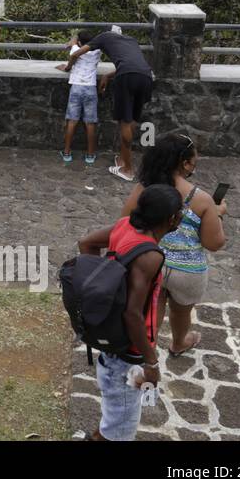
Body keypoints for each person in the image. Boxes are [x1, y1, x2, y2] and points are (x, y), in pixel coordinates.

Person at [76, 183, 183, 441]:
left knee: (116, 416)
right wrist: (151, 362)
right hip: (129, 352)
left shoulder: (124, 226)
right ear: (170, 219)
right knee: (121, 428)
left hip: (114, 342)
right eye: (180, 213)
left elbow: (86, 243)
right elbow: (132, 314)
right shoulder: (150, 256)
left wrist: (103, 288)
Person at [117, 133, 227, 358]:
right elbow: (213, 243)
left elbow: (125, 220)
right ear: (185, 164)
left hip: (151, 262)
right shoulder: (202, 199)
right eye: (193, 163)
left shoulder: (145, 188)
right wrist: (218, 215)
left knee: (152, 308)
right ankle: (179, 343)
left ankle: (147, 350)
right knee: (181, 311)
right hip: (188, 272)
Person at [67, 25, 154, 182]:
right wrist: (107, 75)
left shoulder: (104, 37)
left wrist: (68, 67)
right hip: (146, 76)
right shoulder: (131, 40)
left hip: (126, 78)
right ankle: (122, 159)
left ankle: (128, 169)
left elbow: (77, 54)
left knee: (125, 122)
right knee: (133, 119)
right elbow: (132, 62)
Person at [57, 30, 102, 165]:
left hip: (76, 87)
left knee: (72, 121)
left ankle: (66, 152)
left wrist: (75, 40)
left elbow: (72, 43)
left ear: (80, 42)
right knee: (90, 123)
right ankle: (90, 154)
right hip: (90, 88)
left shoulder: (75, 50)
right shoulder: (98, 51)